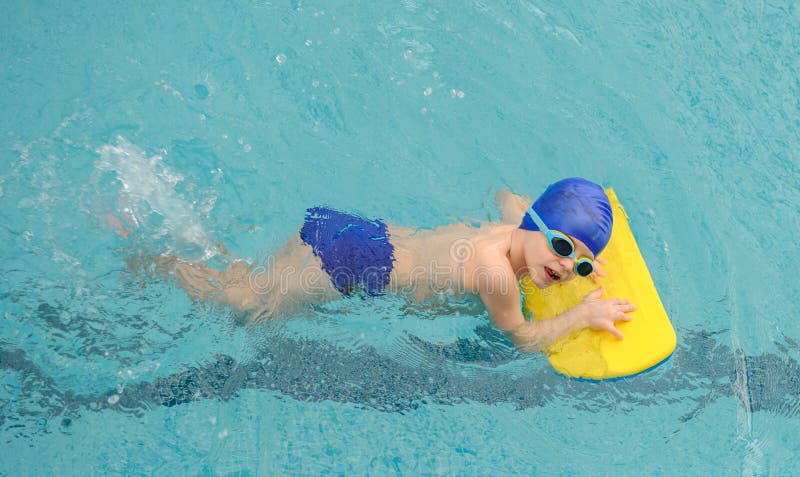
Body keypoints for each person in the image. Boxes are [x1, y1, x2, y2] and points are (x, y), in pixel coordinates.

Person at [154, 177, 635, 352]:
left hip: (368, 234)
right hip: (357, 267)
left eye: (583, 264)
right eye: (563, 248)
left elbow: (509, 196)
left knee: (252, 283)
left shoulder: (516, 228)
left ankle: (183, 244)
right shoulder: (494, 275)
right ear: (537, 226)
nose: (567, 267)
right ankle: (153, 260)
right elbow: (524, 337)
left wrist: (577, 248)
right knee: (243, 305)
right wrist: (581, 315)